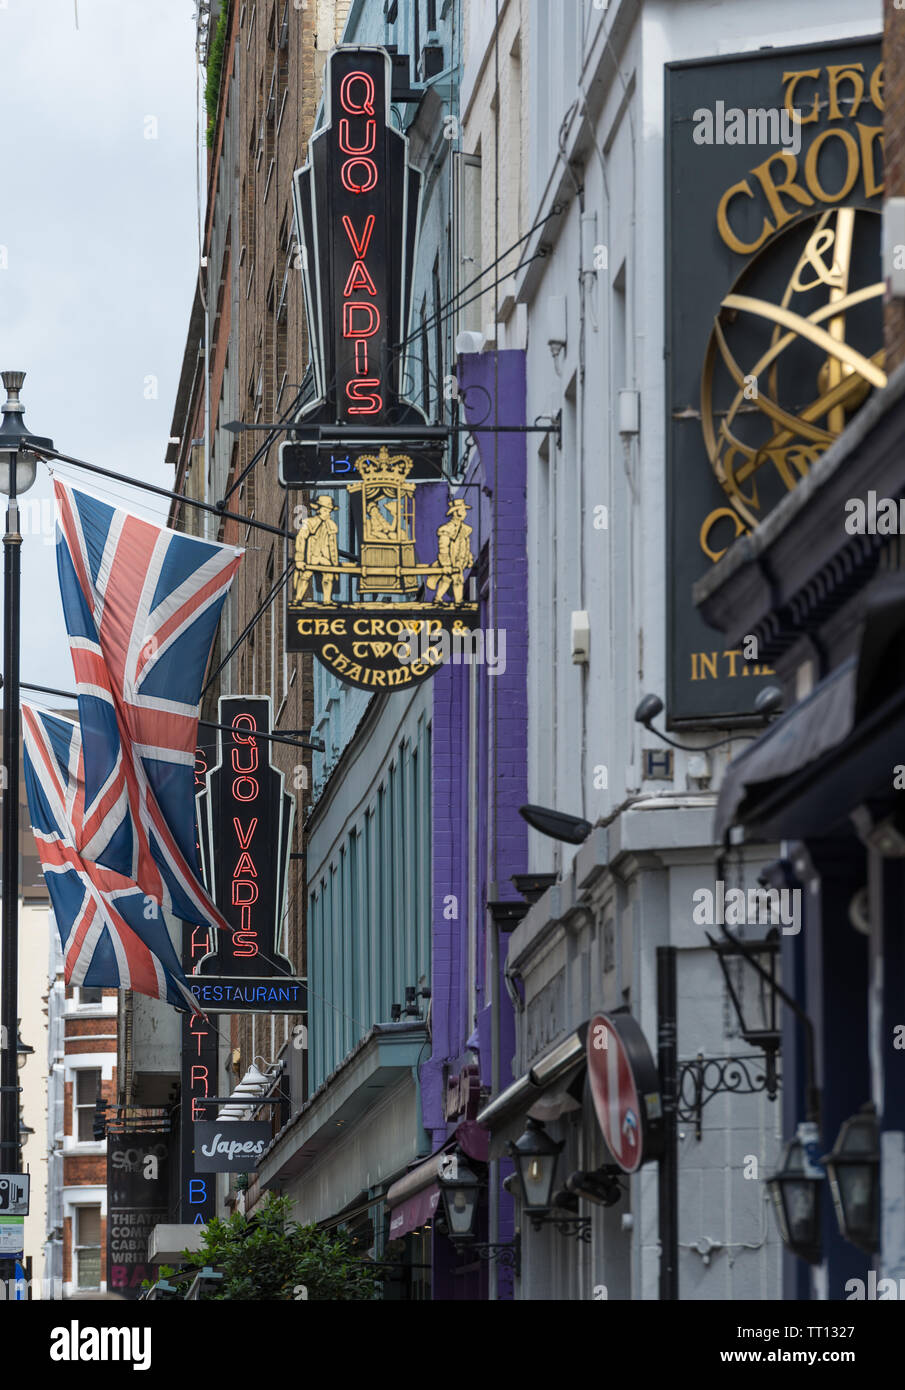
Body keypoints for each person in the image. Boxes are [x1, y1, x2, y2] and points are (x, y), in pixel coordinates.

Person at [294, 495, 339, 604]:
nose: (327, 513)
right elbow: (300, 539)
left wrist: (335, 564)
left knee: (328, 576)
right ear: (318, 510)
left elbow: (333, 547)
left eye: (329, 511)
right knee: (305, 576)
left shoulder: (331, 525)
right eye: (325, 510)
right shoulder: (308, 523)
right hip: (311, 556)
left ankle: (327, 600)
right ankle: (298, 598)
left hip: (325, 556)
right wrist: (299, 559)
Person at [432, 498, 473, 604]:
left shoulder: (464, 529)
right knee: (455, 579)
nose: (464, 513)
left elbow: (466, 545)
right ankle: (458, 601)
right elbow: (443, 548)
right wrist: (446, 564)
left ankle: (439, 598)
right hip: (451, 561)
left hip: (460, 561)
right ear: (456, 512)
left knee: (449, 579)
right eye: (462, 510)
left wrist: (469, 558)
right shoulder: (447, 529)